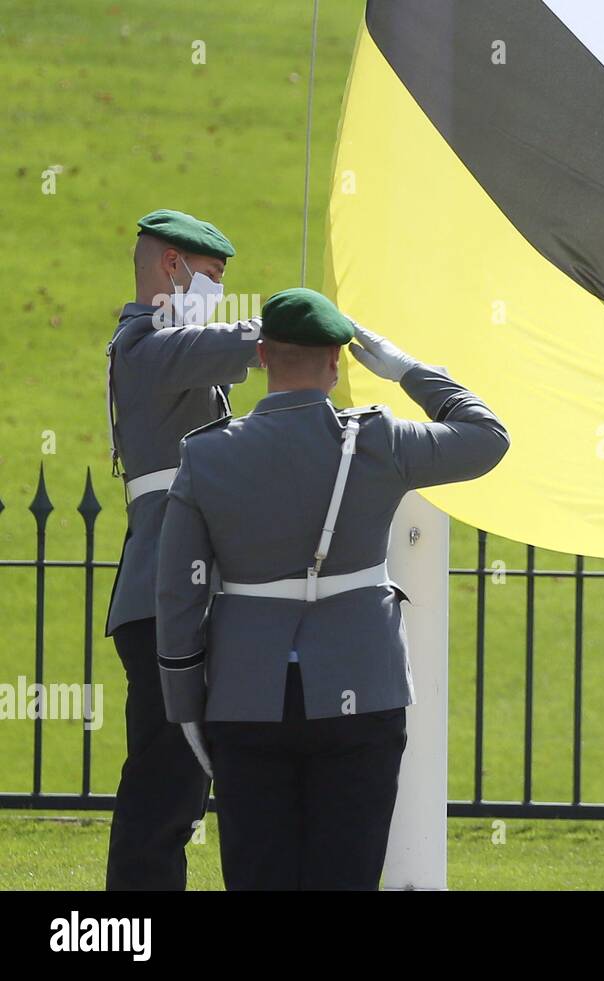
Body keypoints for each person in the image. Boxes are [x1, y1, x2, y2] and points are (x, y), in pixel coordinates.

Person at [155, 288, 509, 890]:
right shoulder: (378, 441)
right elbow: (486, 436)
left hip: (247, 696)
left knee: (258, 873)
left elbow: (177, 596)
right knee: (347, 872)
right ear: (336, 362)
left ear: (263, 355)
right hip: (361, 689)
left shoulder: (208, 455)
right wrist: (406, 370)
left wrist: (186, 704)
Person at [105, 208, 260, 890]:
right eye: (210, 278)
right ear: (172, 268)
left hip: (191, 596)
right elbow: (243, 345)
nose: (218, 294)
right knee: (165, 789)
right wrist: (308, 328)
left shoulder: (173, 349)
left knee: (187, 787)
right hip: (169, 601)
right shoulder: (149, 346)